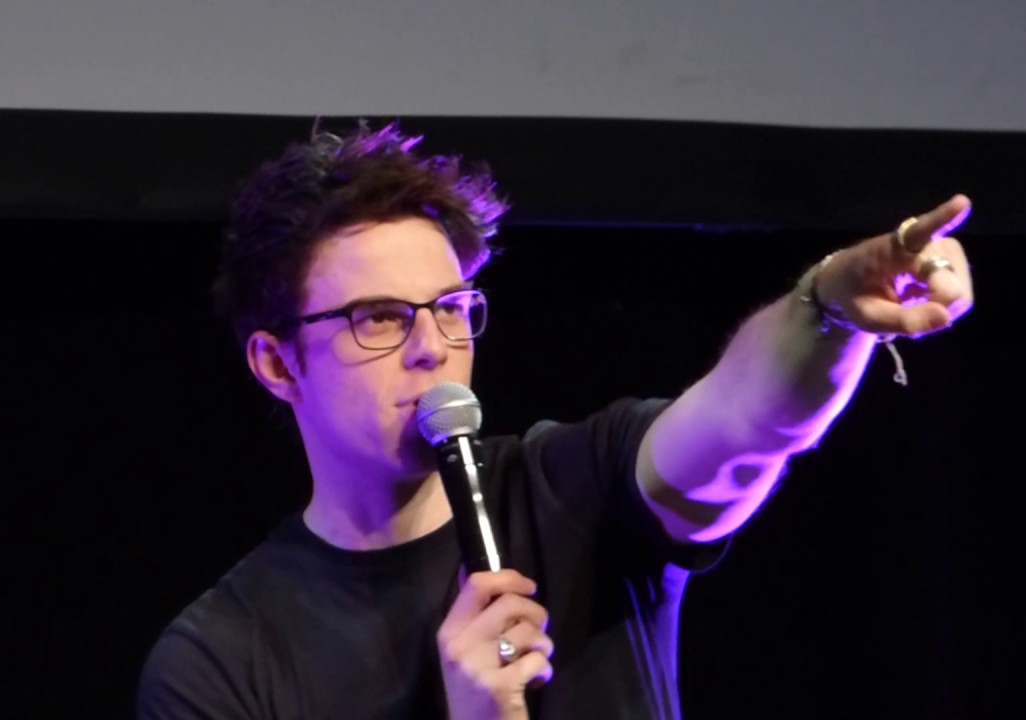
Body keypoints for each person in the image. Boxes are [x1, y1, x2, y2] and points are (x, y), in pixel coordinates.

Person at [135, 121, 975, 719]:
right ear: (278, 364)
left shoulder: (577, 487)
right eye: (379, 318)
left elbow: (744, 428)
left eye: (451, 309)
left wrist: (830, 310)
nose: (433, 349)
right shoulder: (221, 663)